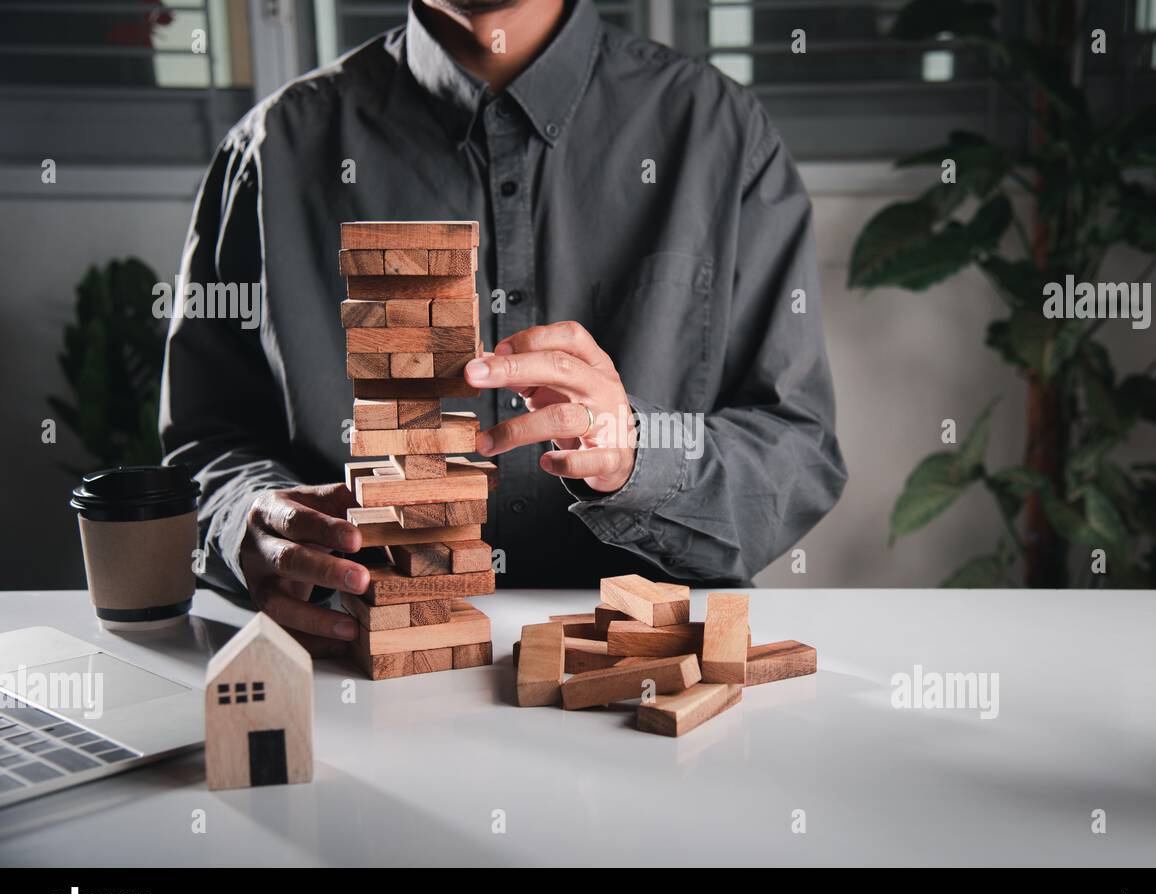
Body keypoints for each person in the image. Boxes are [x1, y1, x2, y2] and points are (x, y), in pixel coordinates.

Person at [160, 0, 846, 643]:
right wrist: (244, 519)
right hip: (356, 667)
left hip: (649, 667)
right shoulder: (270, 152)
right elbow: (204, 447)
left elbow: (798, 451)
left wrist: (641, 452)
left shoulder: (724, 133)